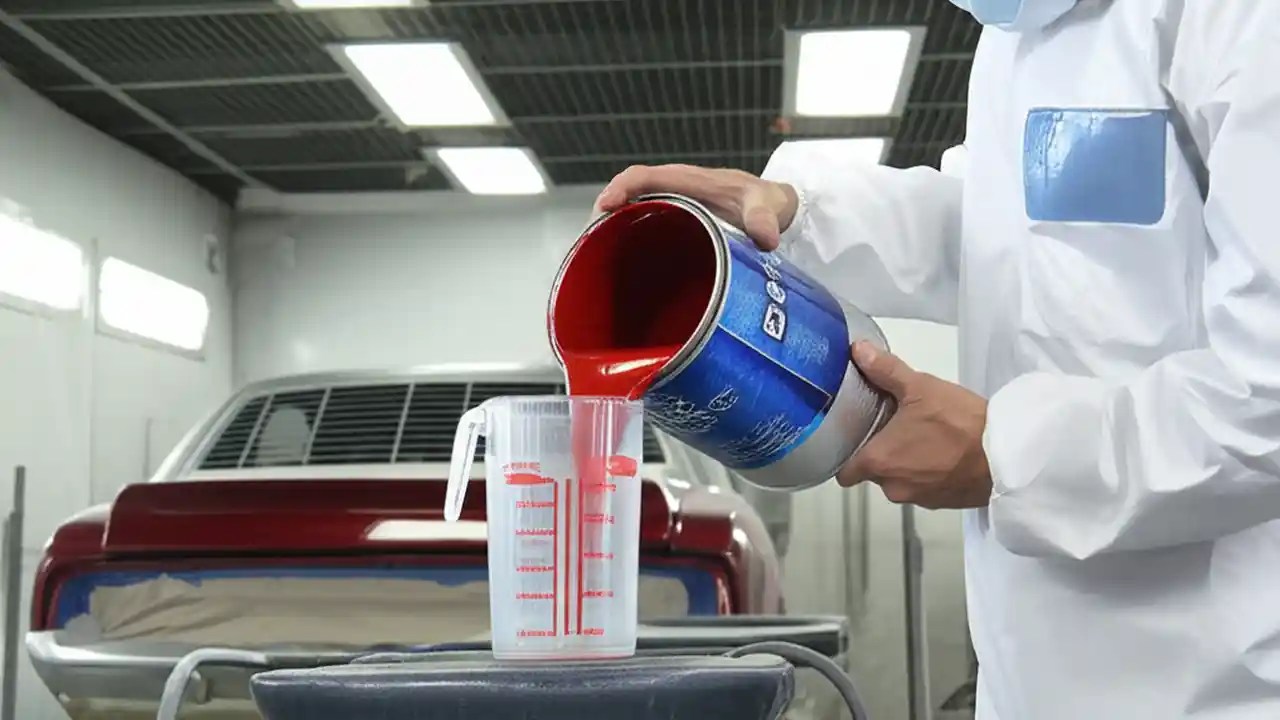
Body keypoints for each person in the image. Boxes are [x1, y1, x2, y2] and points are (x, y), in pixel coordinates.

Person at [592, 1, 1280, 717]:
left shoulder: (1235, 19)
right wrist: (801, 212)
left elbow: (1268, 395)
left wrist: (1008, 456)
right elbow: (999, 227)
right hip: (1028, 678)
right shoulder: (1012, 41)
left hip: (1221, 685)